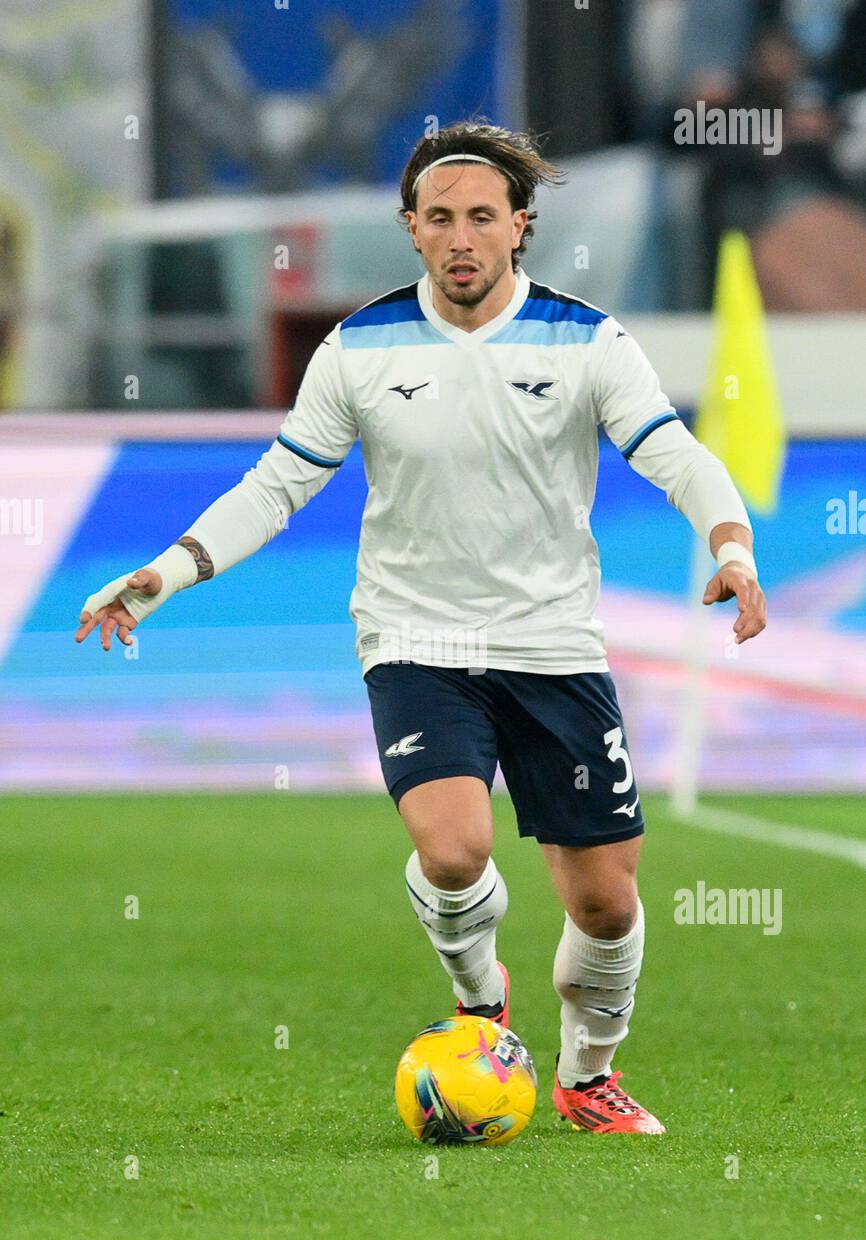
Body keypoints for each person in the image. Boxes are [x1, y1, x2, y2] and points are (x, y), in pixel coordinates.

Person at [75, 120, 766, 1135]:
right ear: (409, 228)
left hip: (552, 644)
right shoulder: (357, 346)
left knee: (606, 905)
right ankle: (481, 1004)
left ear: (518, 226)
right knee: (451, 851)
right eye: (438, 218)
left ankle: (586, 1073)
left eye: (481, 218)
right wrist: (167, 572)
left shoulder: (586, 340)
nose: (460, 238)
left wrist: (732, 549)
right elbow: (276, 485)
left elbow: (677, 457)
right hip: (414, 638)